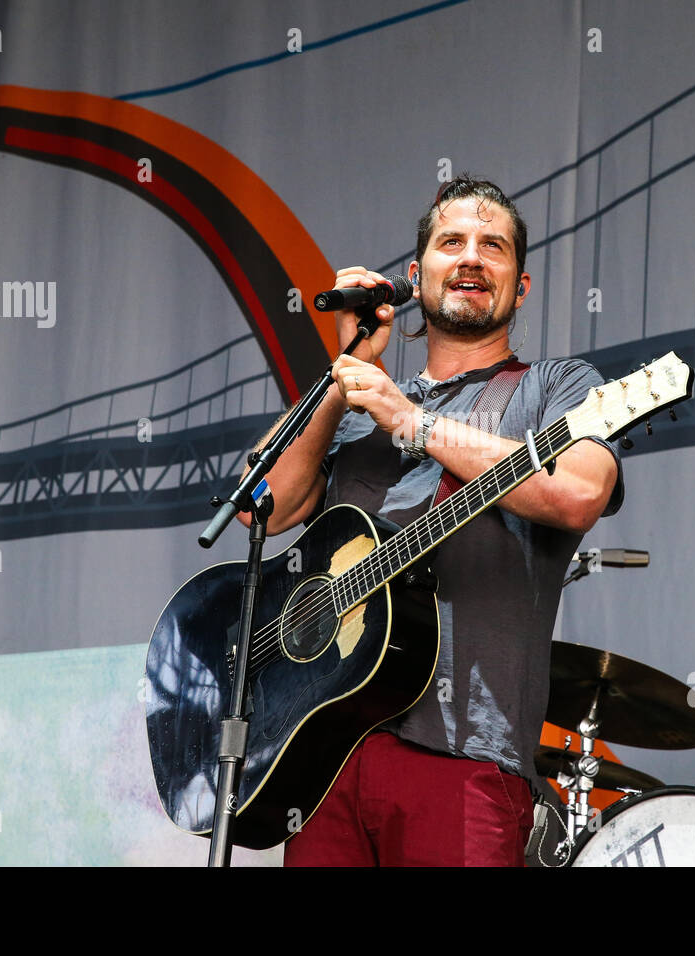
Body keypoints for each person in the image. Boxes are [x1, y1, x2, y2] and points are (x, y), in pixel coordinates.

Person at [241, 176, 624, 865]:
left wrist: (410, 421)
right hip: (324, 757)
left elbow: (578, 492)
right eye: (452, 242)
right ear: (415, 279)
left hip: (463, 755)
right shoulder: (363, 397)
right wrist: (348, 372)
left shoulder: (556, 387)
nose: (472, 258)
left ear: (522, 285)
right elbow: (262, 504)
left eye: (493, 247)